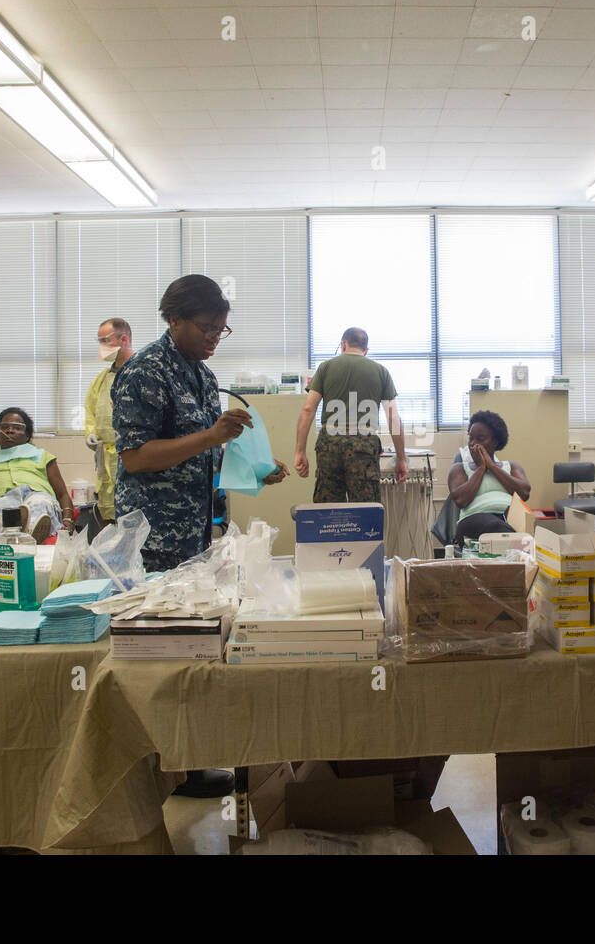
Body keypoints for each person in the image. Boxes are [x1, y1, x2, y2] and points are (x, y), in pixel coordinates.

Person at [114, 274, 288, 799]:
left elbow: (205, 453)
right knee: (152, 660)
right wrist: (213, 434)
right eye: (208, 327)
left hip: (194, 533)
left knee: (188, 650)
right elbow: (136, 457)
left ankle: (183, 766)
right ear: (174, 319)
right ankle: (149, 773)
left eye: (222, 329)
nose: (216, 336)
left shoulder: (202, 375)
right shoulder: (144, 372)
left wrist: (256, 469)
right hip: (153, 536)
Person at [294, 327, 408, 502]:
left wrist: (300, 451)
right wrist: (401, 458)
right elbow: (393, 417)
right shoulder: (380, 371)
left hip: (329, 444)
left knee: (328, 513)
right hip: (363, 446)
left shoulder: (325, 368)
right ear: (366, 350)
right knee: (365, 513)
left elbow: (308, 409)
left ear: (343, 345)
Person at [0, 408, 74, 542]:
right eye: (4, 427)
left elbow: (62, 494)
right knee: (2, 508)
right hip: (0, 499)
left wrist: (68, 519)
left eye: (17, 428)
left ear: (27, 435)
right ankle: (19, 536)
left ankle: (30, 533)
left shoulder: (43, 456)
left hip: (36, 494)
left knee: (40, 503)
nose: (10, 430)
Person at [447, 410, 531, 546]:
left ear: (496, 442)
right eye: (470, 438)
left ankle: (513, 541)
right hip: (474, 520)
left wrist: (491, 466)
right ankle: (515, 541)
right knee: (496, 527)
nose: (473, 444)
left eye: (480, 439)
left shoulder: (512, 466)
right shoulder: (459, 468)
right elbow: (461, 500)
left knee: (509, 526)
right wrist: (481, 468)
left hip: (510, 517)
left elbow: (524, 493)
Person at [84, 317, 134, 524]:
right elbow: (91, 410)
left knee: (132, 516)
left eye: (106, 340)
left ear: (123, 339)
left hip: (133, 455)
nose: (102, 347)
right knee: (109, 515)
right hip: (106, 456)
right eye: (100, 341)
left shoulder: (141, 373)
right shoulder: (102, 379)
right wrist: (90, 433)